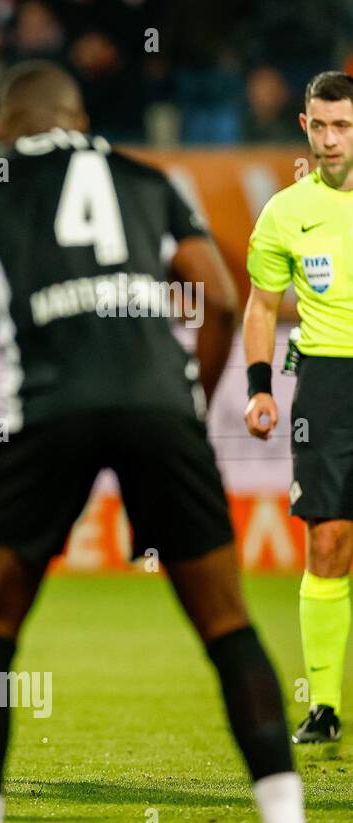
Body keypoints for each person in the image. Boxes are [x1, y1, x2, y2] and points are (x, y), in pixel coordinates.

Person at [0, 62, 325, 823]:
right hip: (159, 413)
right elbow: (221, 298)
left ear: (5, 126)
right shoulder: (150, 178)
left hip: (48, 409)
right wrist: (187, 404)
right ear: (78, 117)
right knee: (229, 624)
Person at [243, 70, 353, 747]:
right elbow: (262, 307)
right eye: (321, 125)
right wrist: (260, 386)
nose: (333, 138)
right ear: (305, 128)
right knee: (327, 538)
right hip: (327, 384)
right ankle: (327, 706)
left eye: (344, 125)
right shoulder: (286, 211)